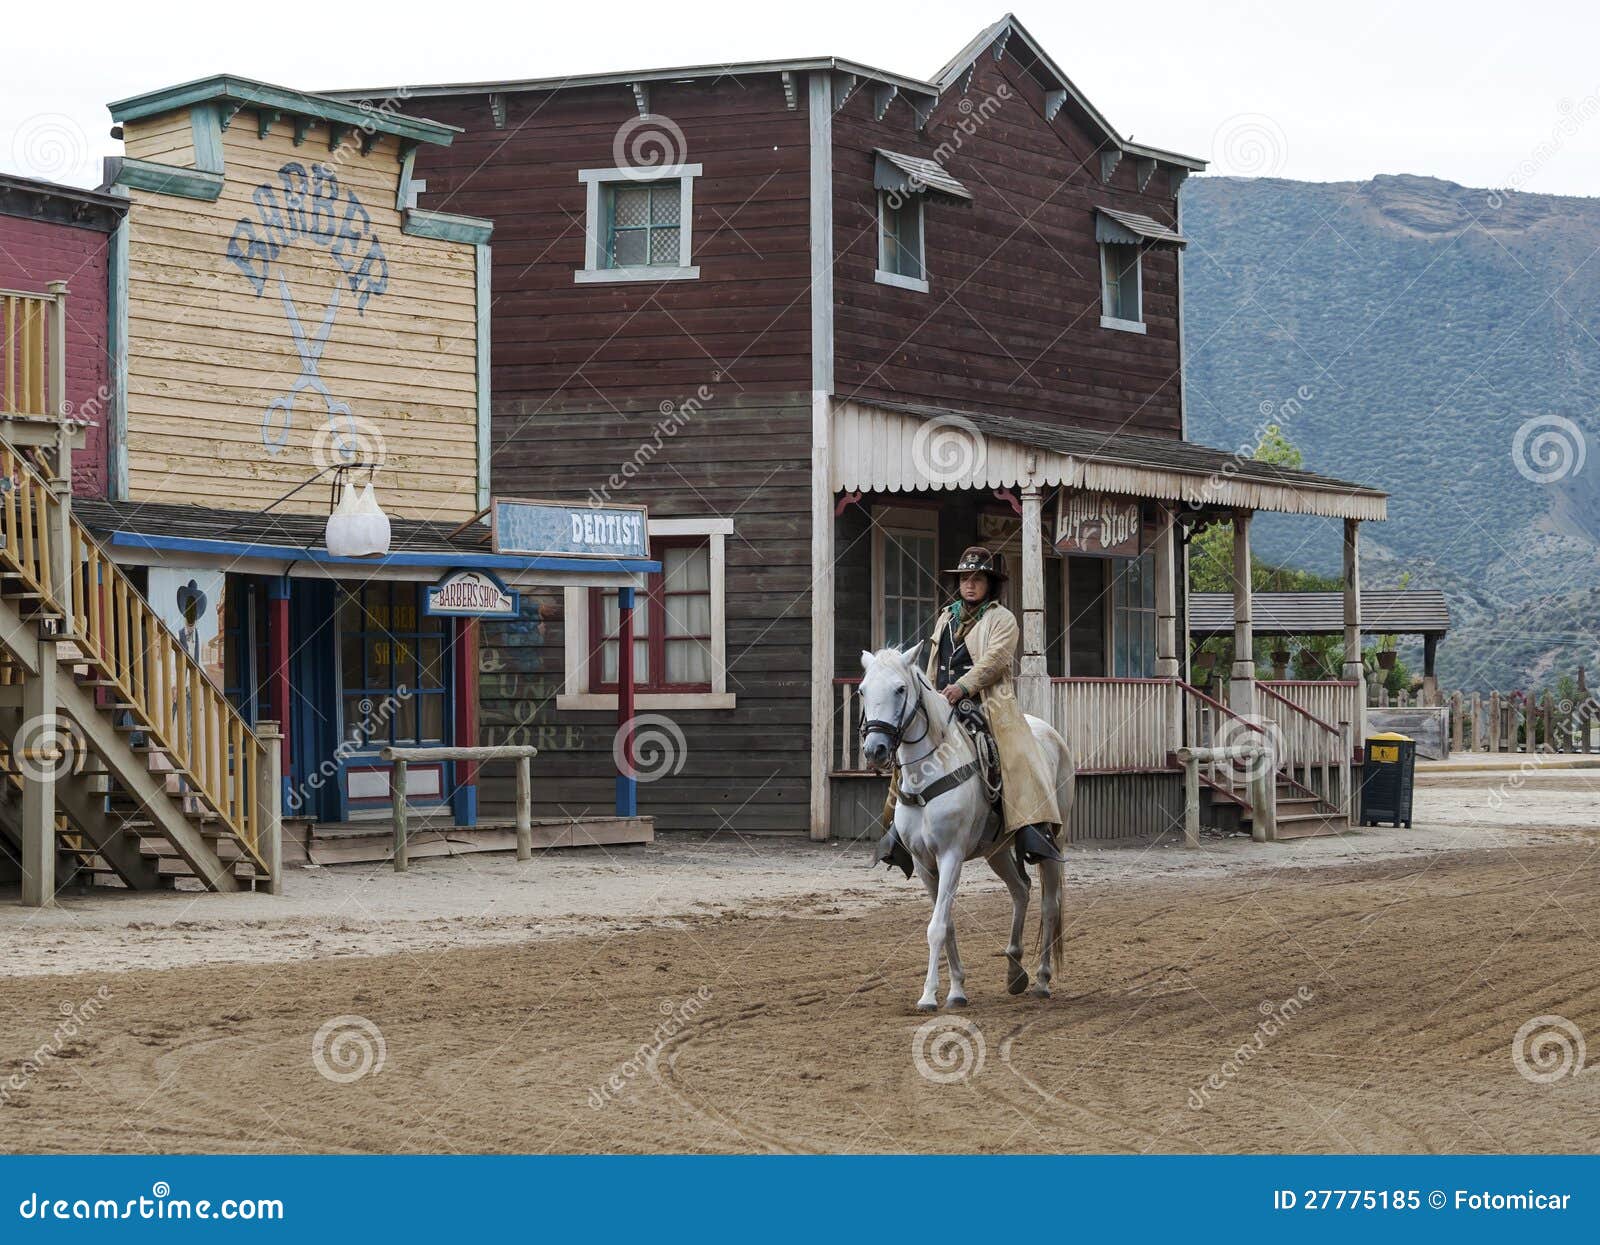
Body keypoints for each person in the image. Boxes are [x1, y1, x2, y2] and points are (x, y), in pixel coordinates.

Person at [875, 546, 1066, 878]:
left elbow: (995, 661)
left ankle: (1030, 827)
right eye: (965, 578)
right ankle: (896, 832)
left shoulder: (1002, 619)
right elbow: (934, 664)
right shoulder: (946, 617)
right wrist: (931, 696)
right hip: (943, 702)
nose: (970, 584)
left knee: (1015, 754)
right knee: (907, 750)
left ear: (989, 584)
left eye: (977, 579)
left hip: (989, 702)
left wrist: (963, 687)